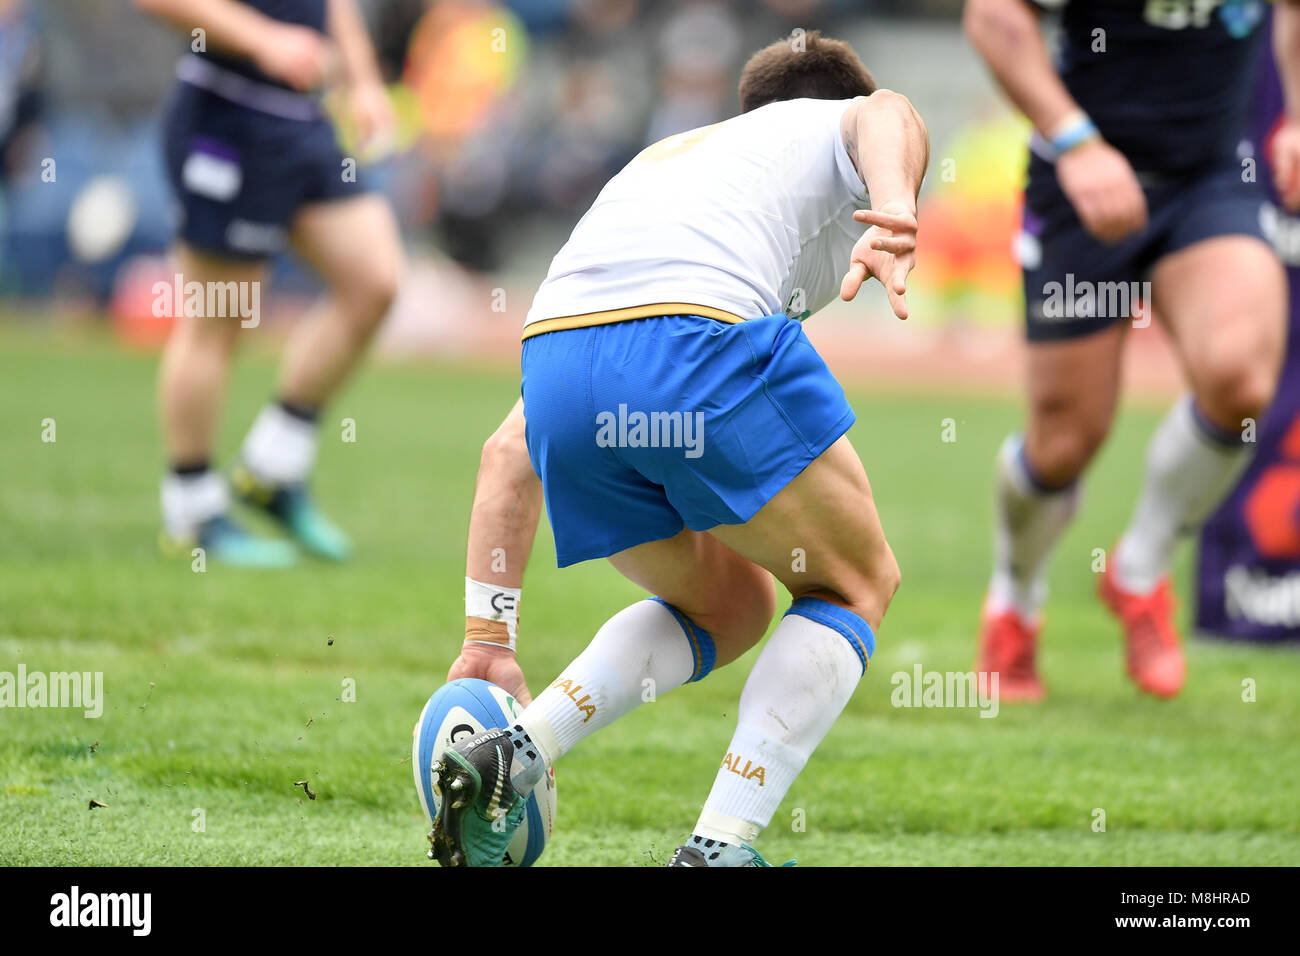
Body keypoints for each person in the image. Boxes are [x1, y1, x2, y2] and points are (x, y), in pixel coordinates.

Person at [424, 31, 928, 867]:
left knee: (730, 609)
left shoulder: (670, 167)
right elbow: (891, 112)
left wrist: (490, 639)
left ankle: (514, 751)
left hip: (559, 372)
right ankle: (718, 849)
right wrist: (898, 206)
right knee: (856, 580)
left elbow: (506, 450)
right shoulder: (840, 127)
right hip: (691, 347)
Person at [964, 0, 1297, 700]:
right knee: (1063, 443)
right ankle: (1014, 599)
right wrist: (1077, 142)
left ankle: (1139, 572)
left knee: (1239, 380)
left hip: (1211, 176)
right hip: (1080, 180)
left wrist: (1295, 113)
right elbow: (994, 16)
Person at [136, 0, 403, 566]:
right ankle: (192, 515)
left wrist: (364, 84)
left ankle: (272, 469)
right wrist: (262, 38)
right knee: (219, 315)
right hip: (225, 111)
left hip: (303, 120)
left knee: (374, 282)